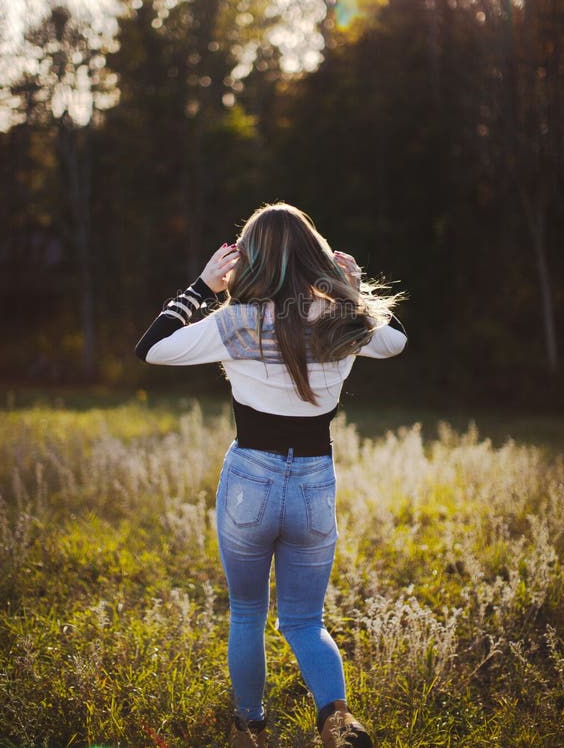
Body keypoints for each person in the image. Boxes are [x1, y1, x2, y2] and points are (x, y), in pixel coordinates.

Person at [135, 202, 407, 748]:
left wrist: (201, 286)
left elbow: (153, 350)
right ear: (316, 254)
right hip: (313, 482)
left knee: (247, 613)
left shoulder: (235, 320)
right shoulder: (342, 319)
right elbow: (395, 340)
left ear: (250, 259)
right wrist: (351, 288)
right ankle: (336, 720)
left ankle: (250, 728)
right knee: (305, 620)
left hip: (249, 482)